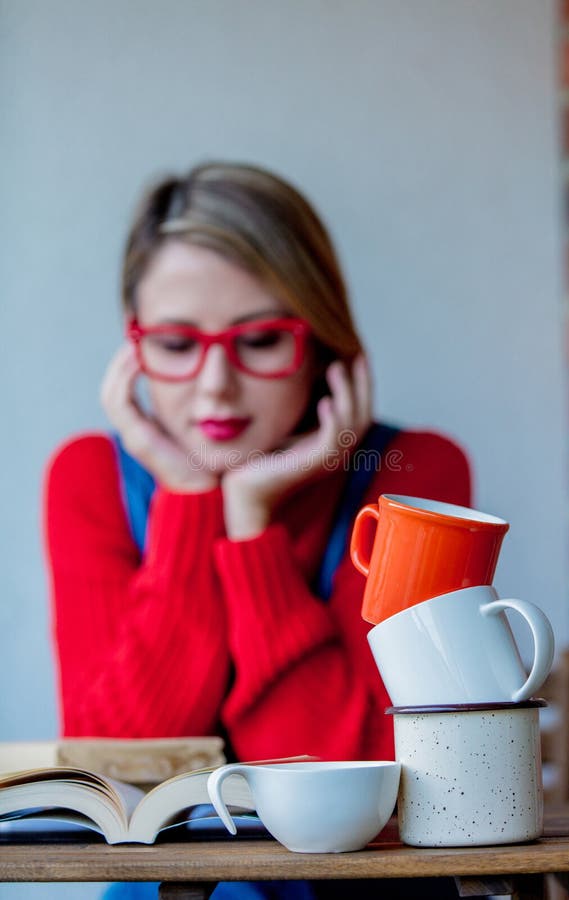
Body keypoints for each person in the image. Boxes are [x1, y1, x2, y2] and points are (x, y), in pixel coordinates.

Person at [43, 161, 471, 899]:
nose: (214, 387)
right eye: (176, 345)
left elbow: (377, 791)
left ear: (326, 345)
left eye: (262, 341)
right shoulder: (91, 479)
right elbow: (117, 769)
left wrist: (250, 529)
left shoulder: (410, 472)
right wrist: (187, 498)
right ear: (134, 345)